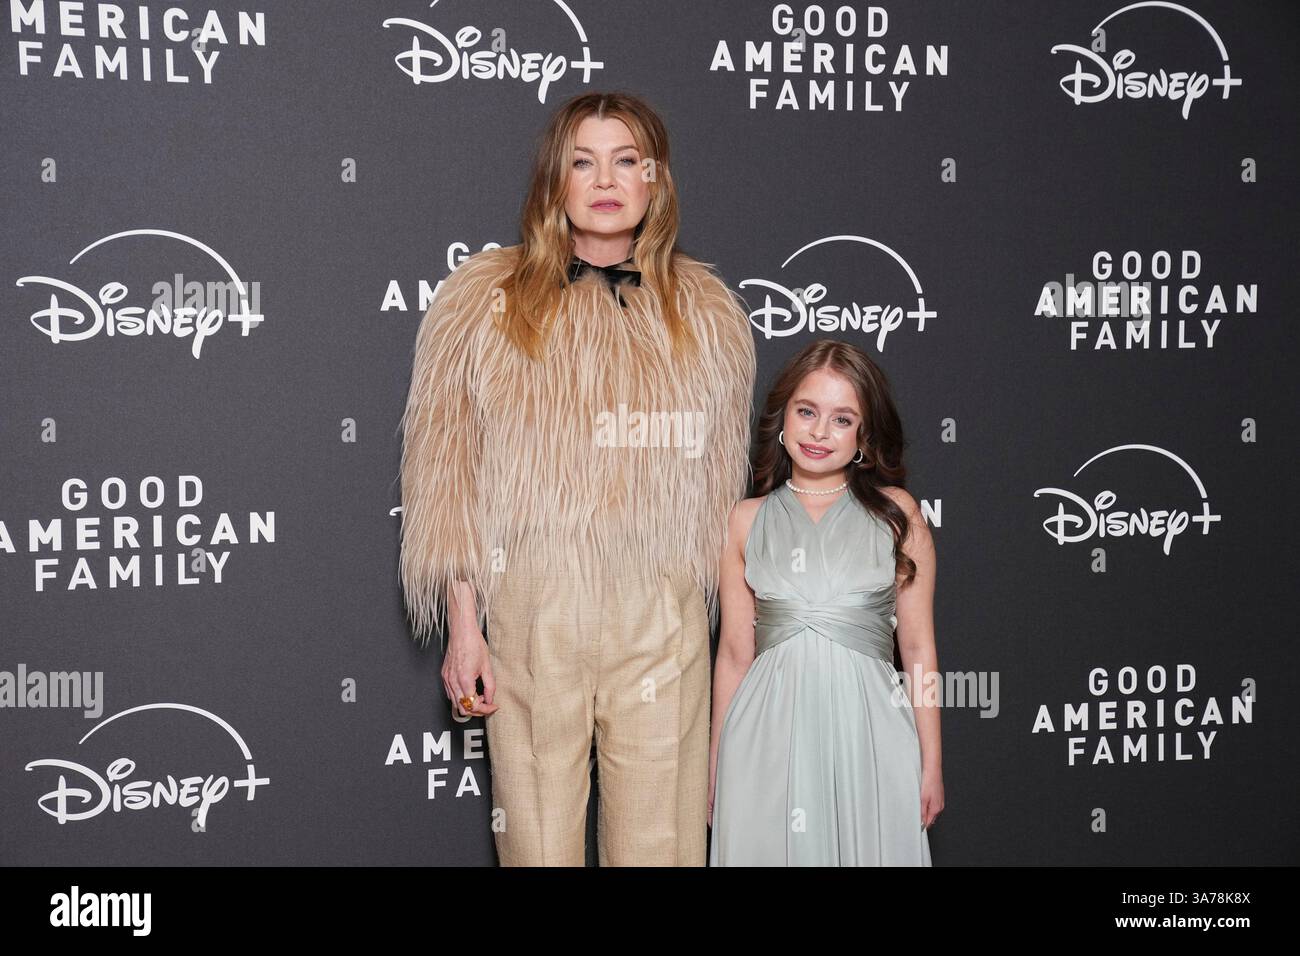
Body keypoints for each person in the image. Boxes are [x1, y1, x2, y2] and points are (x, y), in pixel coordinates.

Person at [398, 91, 756, 866]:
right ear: (552, 181)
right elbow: (445, 475)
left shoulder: (710, 316)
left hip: (662, 611)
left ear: (655, 181)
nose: (605, 180)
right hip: (531, 601)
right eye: (583, 161)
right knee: (534, 843)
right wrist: (465, 628)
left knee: (661, 845)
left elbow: (723, 504)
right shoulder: (479, 302)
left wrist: (728, 643)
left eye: (627, 161)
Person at [708, 339, 942, 865]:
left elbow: (918, 646)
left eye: (842, 419)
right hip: (765, 736)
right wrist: (717, 766)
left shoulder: (897, 514)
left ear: (863, 434)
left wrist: (931, 762)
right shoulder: (744, 519)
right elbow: (733, 655)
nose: (819, 431)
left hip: (871, 734)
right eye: (807, 411)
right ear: (783, 416)